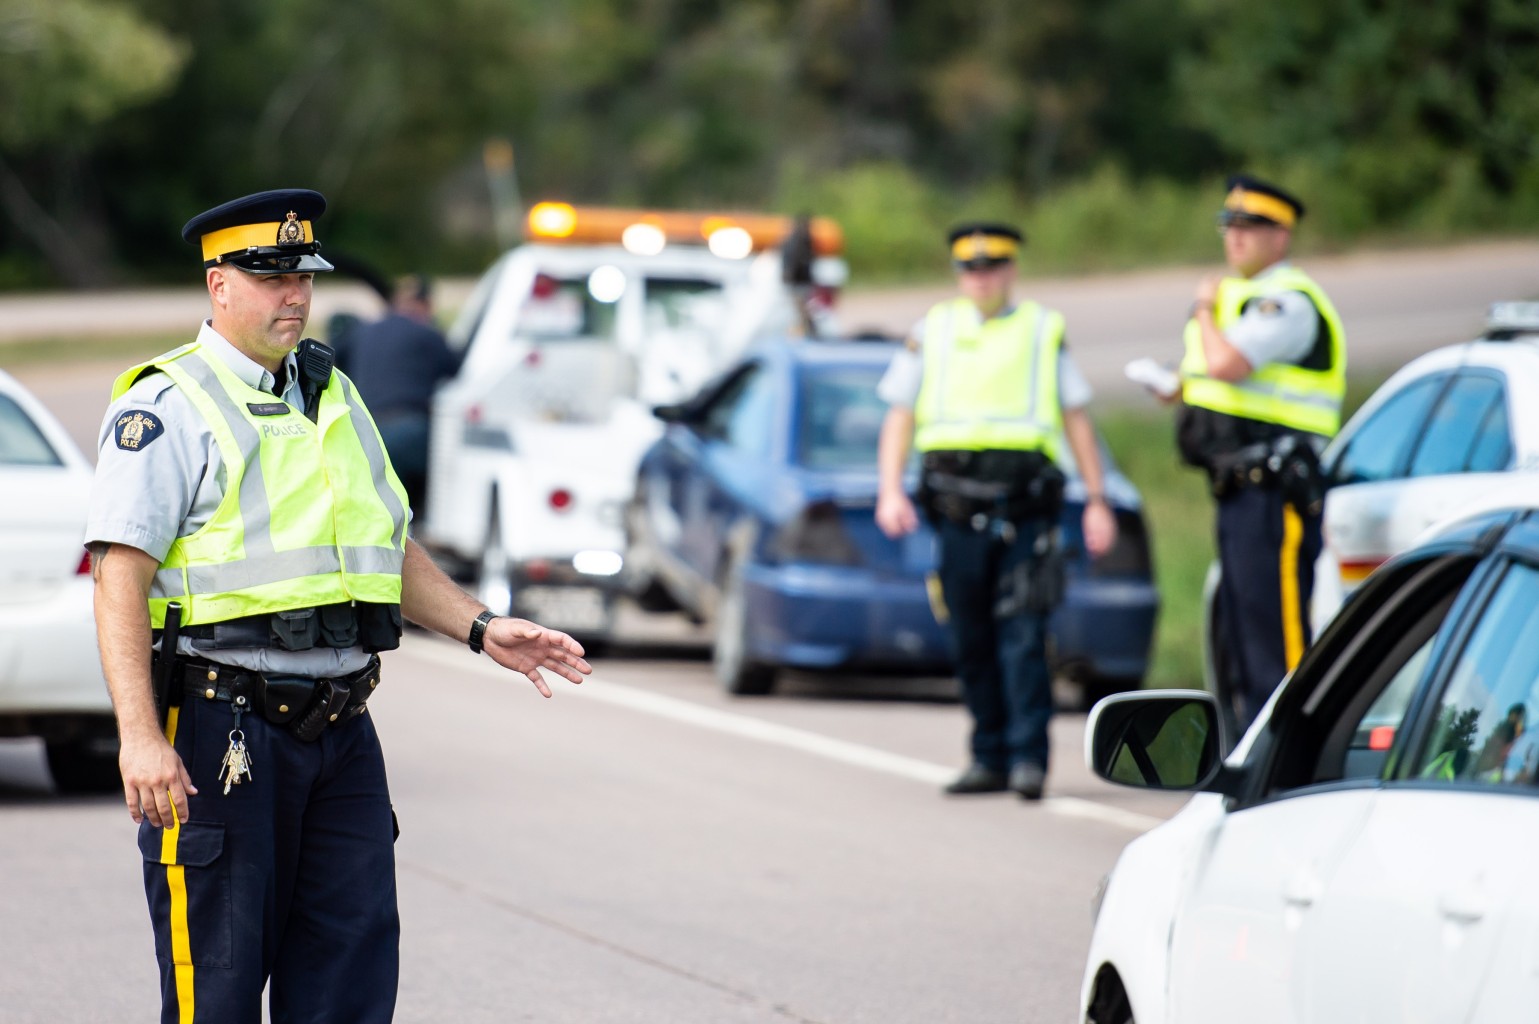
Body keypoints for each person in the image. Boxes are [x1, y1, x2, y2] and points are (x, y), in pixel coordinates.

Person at [85, 189, 592, 1024]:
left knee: (350, 983)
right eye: (270, 275)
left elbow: (383, 546)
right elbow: (118, 577)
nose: (294, 294)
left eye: (303, 276)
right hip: (223, 731)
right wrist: (140, 738)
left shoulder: (334, 394)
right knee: (214, 992)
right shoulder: (166, 407)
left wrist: (479, 625)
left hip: (341, 734)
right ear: (219, 285)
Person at [874, 222, 1116, 800]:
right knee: (970, 637)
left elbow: (1077, 418)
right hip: (955, 513)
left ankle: (1028, 760)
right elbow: (899, 415)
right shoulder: (933, 329)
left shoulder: (1042, 330)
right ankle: (988, 756)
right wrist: (890, 489)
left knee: (1024, 635)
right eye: (970, 269)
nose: (980, 278)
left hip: (1024, 510)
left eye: (992, 267)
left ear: (1011, 270)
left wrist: (1098, 500)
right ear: (958, 274)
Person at [1174, 175, 1347, 733]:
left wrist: (1202, 310)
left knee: (1279, 643)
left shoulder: (1287, 302)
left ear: (1282, 236)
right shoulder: (1242, 300)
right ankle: (1256, 757)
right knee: (1243, 639)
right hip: (1238, 489)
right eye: (1230, 227)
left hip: (1275, 492)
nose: (1236, 239)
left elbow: (1226, 364)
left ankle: (1291, 756)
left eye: (1251, 228)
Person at [334, 272, 461, 511]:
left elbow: (333, 363)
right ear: (425, 305)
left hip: (366, 430)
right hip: (411, 430)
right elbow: (459, 375)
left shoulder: (361, 332)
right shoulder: (428, 334)